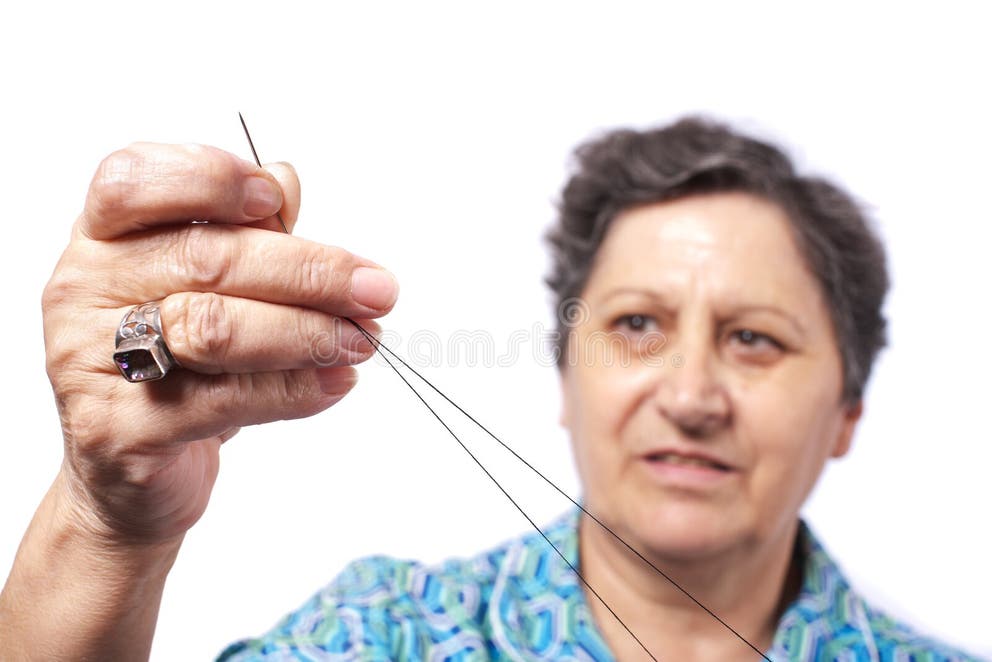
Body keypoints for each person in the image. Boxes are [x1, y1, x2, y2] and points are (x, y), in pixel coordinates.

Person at [0, 118, 980, 661]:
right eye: (635, 324)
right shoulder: (390, 636)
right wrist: (107, 521)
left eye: (754, 339)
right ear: (565, 373)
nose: (689, 392)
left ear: (847, 408)